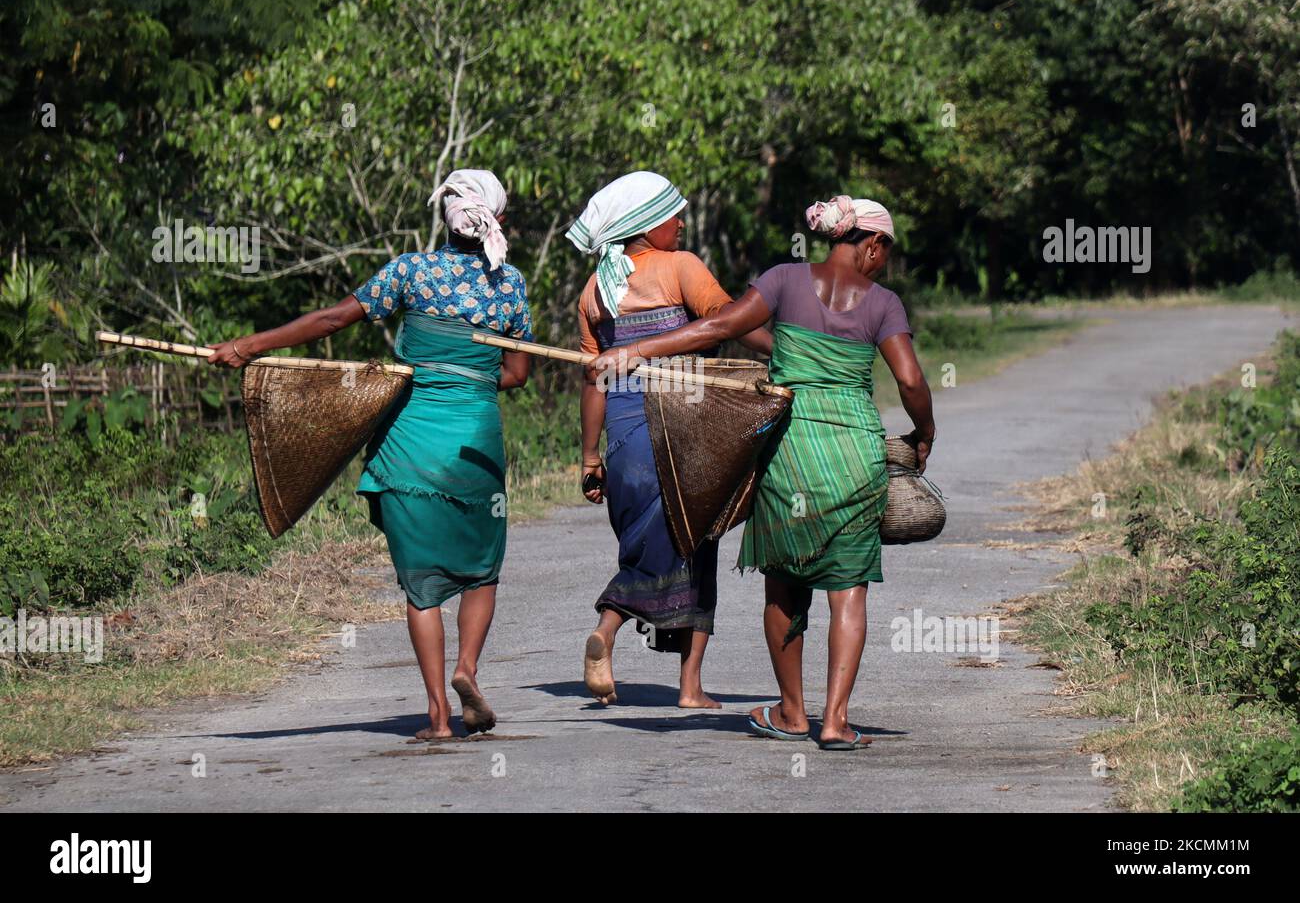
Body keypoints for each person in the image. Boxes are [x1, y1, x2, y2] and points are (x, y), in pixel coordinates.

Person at [592, 194, 936, 749]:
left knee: (784, 585)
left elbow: (718, 325)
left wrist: (638, 352)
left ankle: (794, 713)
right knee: (848, 591)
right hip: (854, 451)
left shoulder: (783, 279)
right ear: (873, 244)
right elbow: (913, 382)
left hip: (791, 447)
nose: (885, 264)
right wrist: (924, 434)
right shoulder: (883, 303)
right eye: (885, 253)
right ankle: (836, 720)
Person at [207, 169, 533, 740]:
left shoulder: (410, 270)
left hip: (410, 442)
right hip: (476, 442)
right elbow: (518, 373)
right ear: (496, 221)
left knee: (422, 584)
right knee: (482, 571)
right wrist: (468, 379)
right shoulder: (509, 283)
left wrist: (249, 346)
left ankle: (437, 719)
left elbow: (333, 319)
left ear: (445, 219)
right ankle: (467, 669)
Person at [568, 171, 772, 707]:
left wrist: (591, 456)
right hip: (679, 432)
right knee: (697, 544)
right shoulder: (681, 268)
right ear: (645, 225)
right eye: (672, 216)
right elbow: (727, 321)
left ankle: (649, 659)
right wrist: (785, 347)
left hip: (624, 439)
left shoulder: (596, 290)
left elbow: (595, 379)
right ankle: (640, 649)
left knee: (651, 542)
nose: (680, 224)